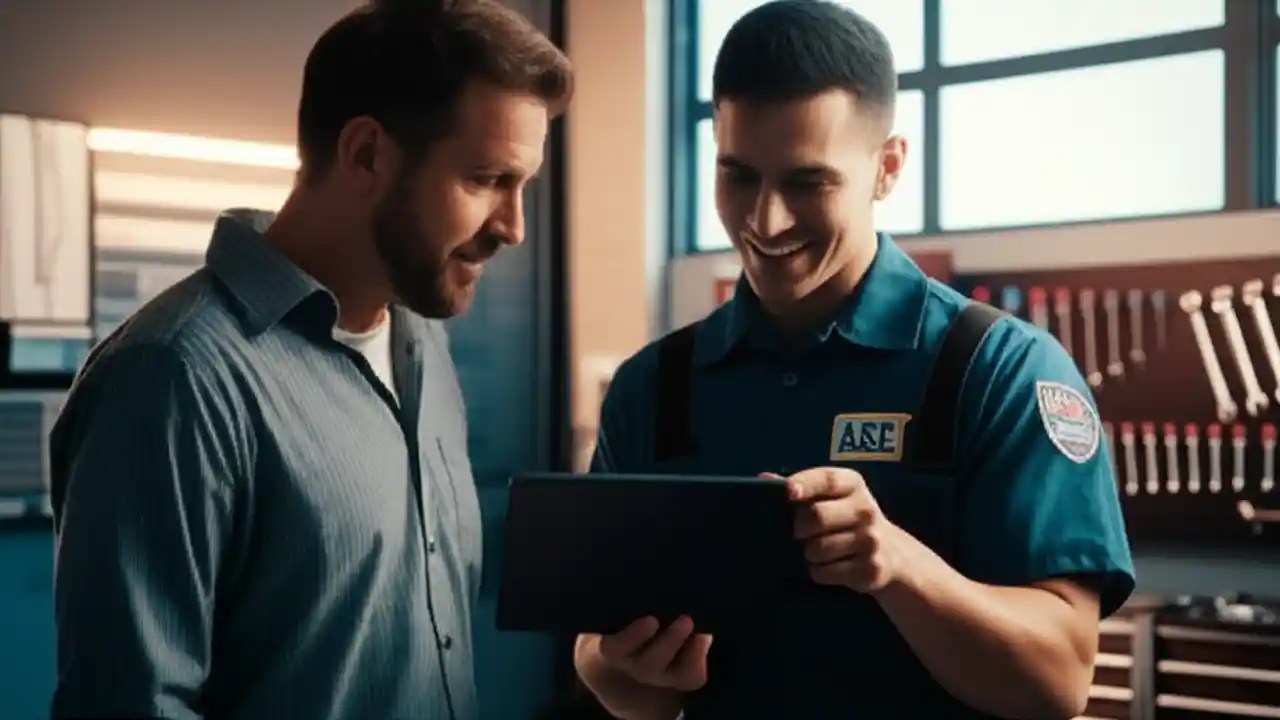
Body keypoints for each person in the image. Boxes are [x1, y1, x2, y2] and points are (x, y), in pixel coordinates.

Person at [573, 1, 1134, 718]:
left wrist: (897, 566)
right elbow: (606, 668)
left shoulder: (1004, 373)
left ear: (887, 167)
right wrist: (632, 670)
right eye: (739, 176)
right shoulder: (652, 388)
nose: (766, 220)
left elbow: (1058, 682)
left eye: (808, 183)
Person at [47, 1, 572, 718]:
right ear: (366, 154)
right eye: (486, 179)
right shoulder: (173, 378)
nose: (514, 228)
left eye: (524, 186)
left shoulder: (424, 345)